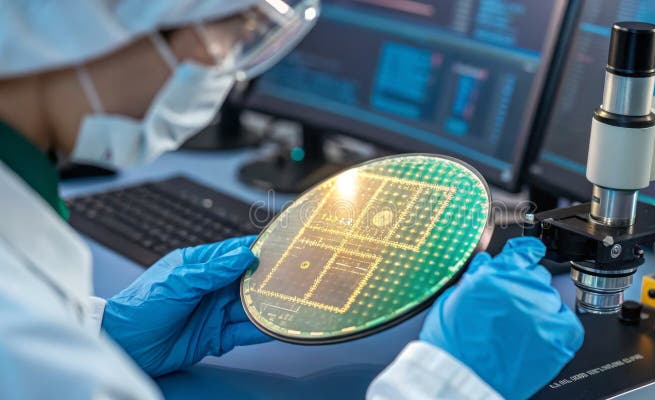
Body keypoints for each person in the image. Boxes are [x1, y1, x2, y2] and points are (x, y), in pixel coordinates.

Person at [0, 1, 584, 399]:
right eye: (227, 30)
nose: (229, 74)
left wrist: (100, 330)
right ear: (90, 21)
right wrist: (452, 380)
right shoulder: (20, 330)